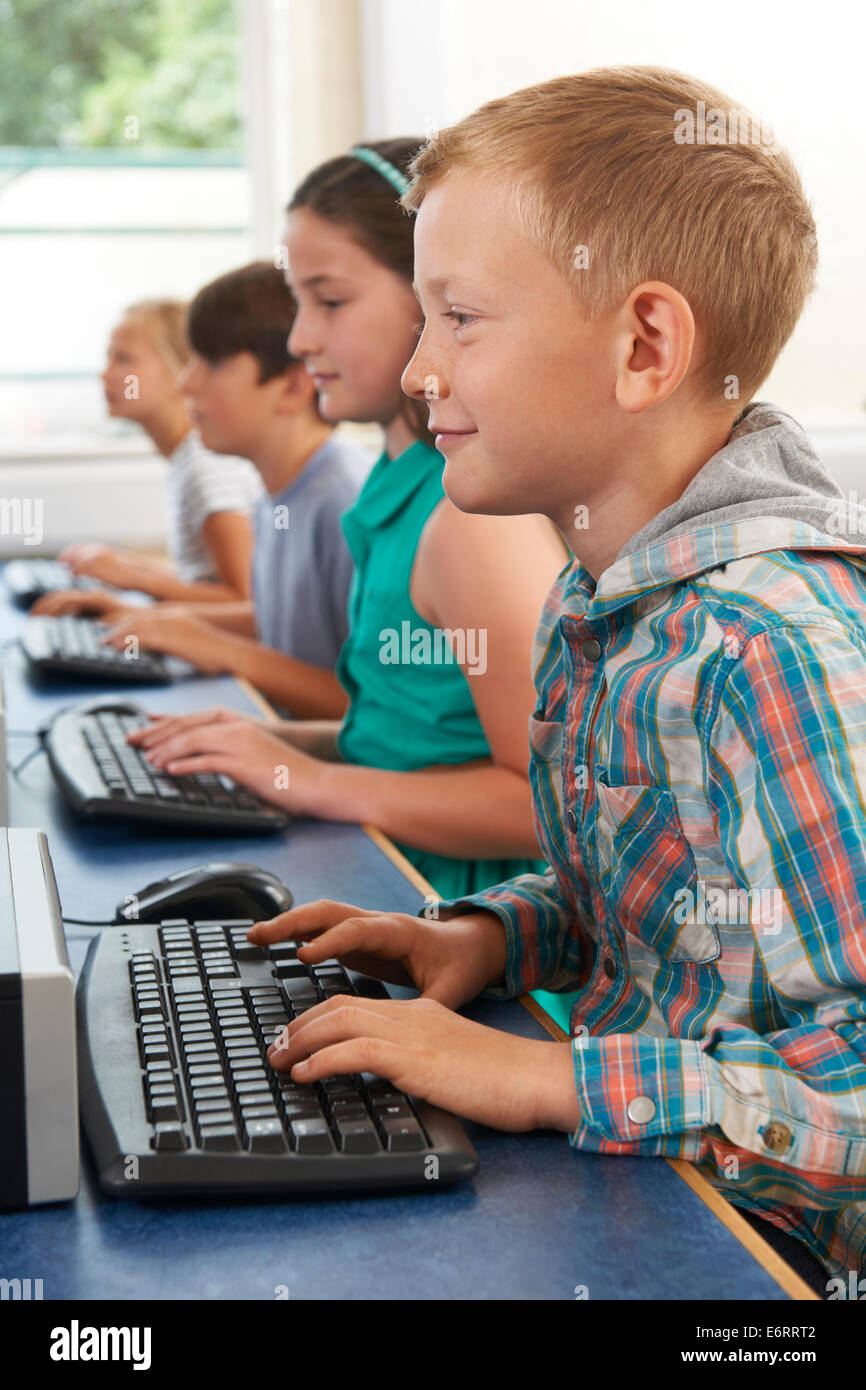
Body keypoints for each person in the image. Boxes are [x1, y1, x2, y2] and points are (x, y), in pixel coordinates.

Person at [245, 71, 866, 1297]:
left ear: (643, 346)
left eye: (459, 320)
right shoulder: (610, 601)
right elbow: (654, 907)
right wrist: (484, 933)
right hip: (661, 1201)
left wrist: (544, 1076)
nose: (421, 372)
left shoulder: (772, 646)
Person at [130, 139, 568, 898]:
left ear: (433, 293)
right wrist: (270, 742)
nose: (300, 339)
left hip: (467, 924)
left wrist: (313, 781)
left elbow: (542, 805)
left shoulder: (469, 520)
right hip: (395, 887)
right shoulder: (398, 489)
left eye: (328, 301)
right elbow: (407, 747)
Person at [97, 264, 365, 718]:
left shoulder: (344, 503)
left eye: (212, 362)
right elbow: (281, 623)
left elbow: (365, 705)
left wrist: (221, 649)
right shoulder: (272, 494)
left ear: (292, 386)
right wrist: (172, 623)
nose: (186, 383)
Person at [33, 298, 263, 612]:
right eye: (108, 358)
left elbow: (245, 600)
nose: (105, 375)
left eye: (124, 359)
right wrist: (125, 565)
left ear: (180, 371)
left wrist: (135, 584)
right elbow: (201, 579)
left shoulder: (207, 468)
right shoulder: (187, 457)